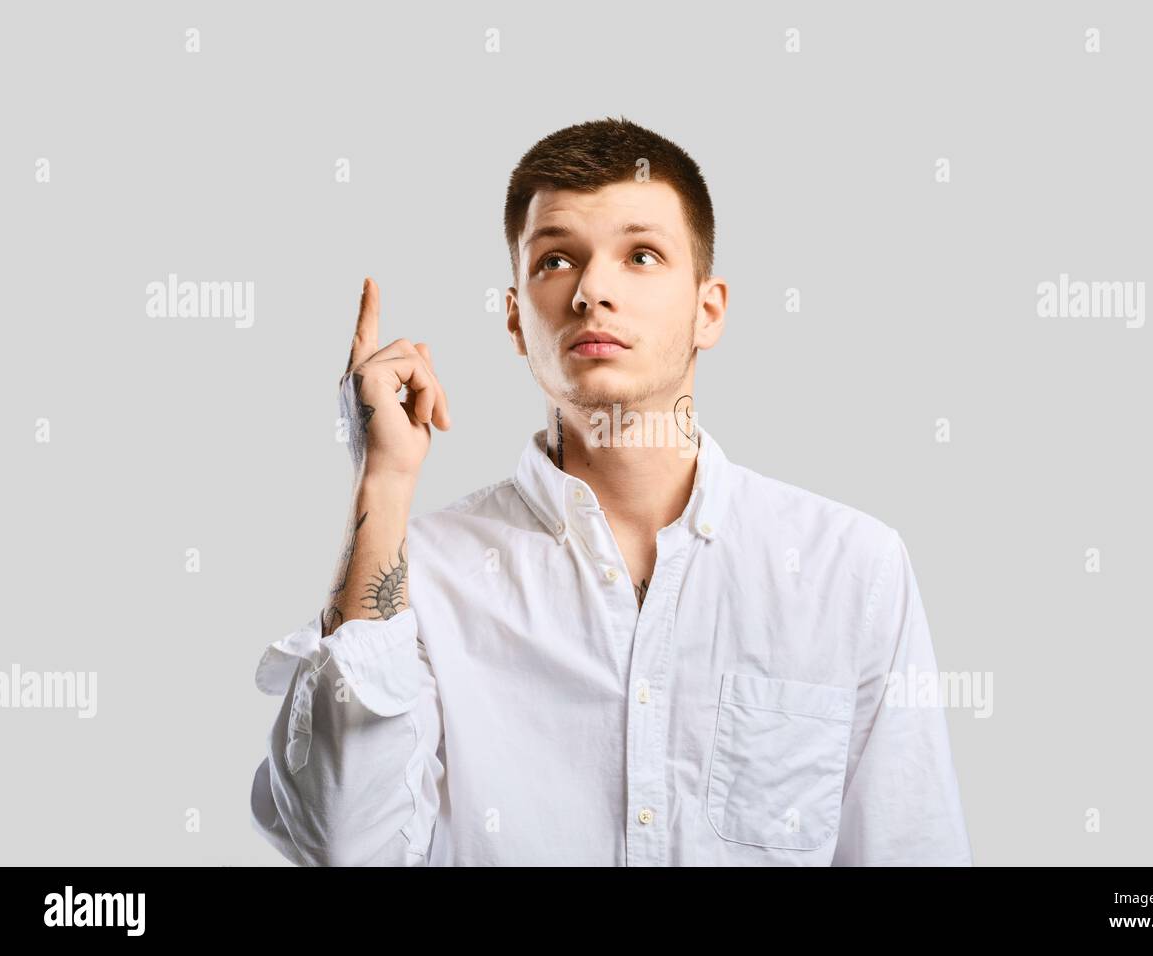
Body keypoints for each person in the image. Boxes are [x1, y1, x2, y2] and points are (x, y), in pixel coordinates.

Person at [249, 116, 972, 866]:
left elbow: (909, 848)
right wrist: (386, 479)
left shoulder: (851, 569)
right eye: (557, 259)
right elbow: (342, 842)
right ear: (515, 320)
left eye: (642, 255)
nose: (593, 290)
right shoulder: (421, 578)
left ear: (709, 308)